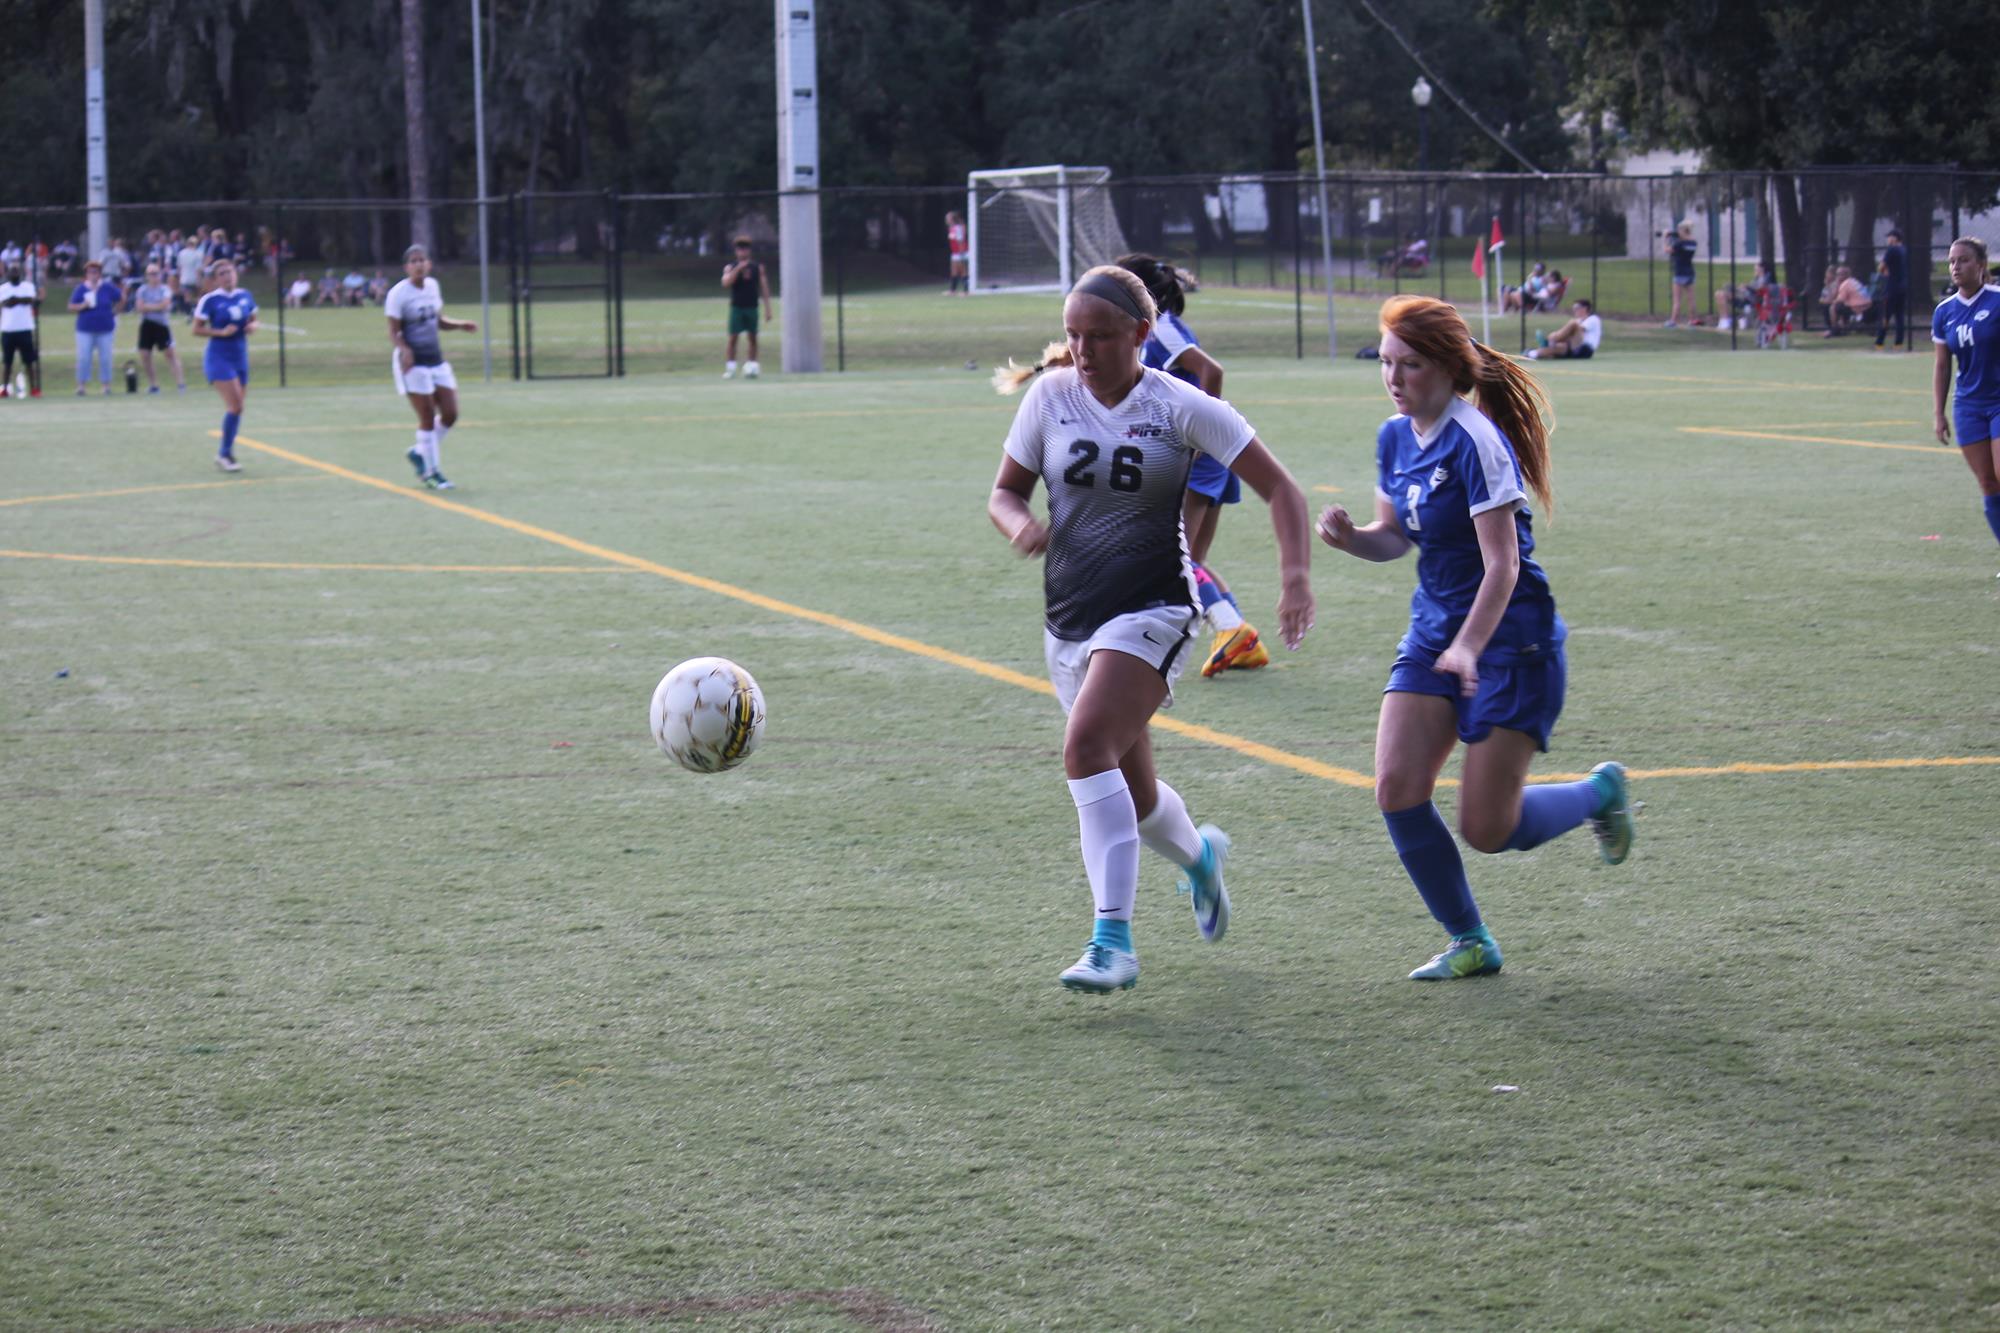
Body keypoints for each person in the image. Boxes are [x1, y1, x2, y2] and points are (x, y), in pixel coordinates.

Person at [988, 265, 1315, 993]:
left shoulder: (1179, 405)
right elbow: (1006, 491)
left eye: (1099, 336)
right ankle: (1200, 856)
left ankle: (1113, 941)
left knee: (1084, 747)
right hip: (1069, 614)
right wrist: (1020, 525)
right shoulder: (1050, 397)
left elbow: (1281, 488)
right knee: (1131, 798)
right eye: (1072, 335)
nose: (1082, 349)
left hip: (1155, 608)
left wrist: (1294, 578)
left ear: (1142, 334)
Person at [1318, 295, 1633, 981]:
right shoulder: (1394, 436)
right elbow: (1397, 538)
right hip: (1435, 628)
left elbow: (1504, 564)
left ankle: (1599, 794)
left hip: (1510, 640)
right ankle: (1470, 938)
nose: (1394, 379)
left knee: (1488, 828)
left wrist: (1468, 647)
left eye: (1410, 365)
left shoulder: (1477, 442)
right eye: (1386, 363)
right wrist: (1351, 540)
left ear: (1448, 369)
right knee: (1397, 785)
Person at [1117, 251, 1271, 678]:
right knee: (1193, 558)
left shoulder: (1162, 329)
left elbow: (1210, 370)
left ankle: (1230, 628)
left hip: (1197, 456)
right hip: (1208, 455)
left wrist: (1207, 431)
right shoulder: (1152, 331)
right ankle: (1241, 639)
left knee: (1174, 558)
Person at [1931, 236, 2000, 575]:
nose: (1956, 267)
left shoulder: (1998, 301)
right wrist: (1938, 413)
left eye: (1964, 260)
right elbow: (1943, 365)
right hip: (1968, 406)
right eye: (1952, 261)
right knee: (1988, 482)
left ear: (1981, 265)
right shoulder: (1944, 312)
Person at [386, 243, 477, 491]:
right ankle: (431, 472)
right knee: (426, 416)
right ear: (406, 267)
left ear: (429, 264)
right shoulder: (398, 294)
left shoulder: (433, 287)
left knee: (450, 413)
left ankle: (418, 452)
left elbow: (437, 320)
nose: (418, 264)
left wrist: (459, 325)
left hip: (436, 360)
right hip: (413, 364)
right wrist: (405, 351)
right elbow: (393, 332)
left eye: (421, 260)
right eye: (413, 261)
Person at [192, 258, 258, 473]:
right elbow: (197, 329)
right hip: (218, 357)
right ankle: (225, 454)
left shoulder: (245, 295)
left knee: (237, 408)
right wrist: (220, 332)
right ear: (216, 279)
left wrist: (252, 326)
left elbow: (253, 318)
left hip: (240, 356)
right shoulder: (210, 300)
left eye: (230, 272)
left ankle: (225, 452)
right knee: (236, 405)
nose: (228, 276)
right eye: (222, 273)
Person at [720, 235, 773, 379]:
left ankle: (752, 365)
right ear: (736, 251)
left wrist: (768, 309)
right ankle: (730, 368)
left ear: (749, 251)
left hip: (752, 307)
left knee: (753, 337)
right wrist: (738, 269)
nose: (742, 252)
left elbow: (764, 288)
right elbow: (726, 283)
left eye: (745, 249)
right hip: (737, 307)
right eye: (739, 249)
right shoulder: (730, 267)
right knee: (733, 338)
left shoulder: (757, 268)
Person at [67, 259, 121, 396]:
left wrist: (116, 311)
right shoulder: (81, 289)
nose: (93, 275)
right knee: (84, 357)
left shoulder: (107, 287)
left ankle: (106, 385)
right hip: (85, 329)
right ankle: (81, 386)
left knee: (106, 358)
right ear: (86, 274)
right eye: (90, 272)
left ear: (100, 274)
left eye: (96, 272)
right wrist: (82, 306)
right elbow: (71, 306)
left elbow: (121, 297)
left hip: (105, 329)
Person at [131, 262, 186, 394]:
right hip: (146, 325)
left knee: (170, 354)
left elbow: (165, 305)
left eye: (156, 273)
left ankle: (180, 384)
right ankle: (153, 385)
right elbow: (139, 307)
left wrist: (149, 307)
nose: (154, 276)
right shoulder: (142, 290)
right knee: (145, 354)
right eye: (151, 274)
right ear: (147, 276)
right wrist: (156, 306)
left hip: (162, 325)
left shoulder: (165, 289)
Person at [0, 261, 42, 398]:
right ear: (7, 273)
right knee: (7, 362)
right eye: (12, 271)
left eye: (16, 271)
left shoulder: (27, 286)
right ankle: (5, 388)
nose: (14, 273)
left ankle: (34, 388)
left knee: (29, 361)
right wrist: (16, 301)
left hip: (25, 329)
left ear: (20, 273)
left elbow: (30, 300)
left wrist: (15, 300)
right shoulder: (3, 288)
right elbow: (4, 303)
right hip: (8, 330)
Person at [1525, 298, 1602, 360]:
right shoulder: (1579, 321)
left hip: (1585, 349)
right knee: (1559, 347)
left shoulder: (1593, 319)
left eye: (1576, 308)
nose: (1574, 310)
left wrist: (1557, 337)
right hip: (1575, 349)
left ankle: (1551, 340)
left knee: (1573, 323)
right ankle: (1532, 353)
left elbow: (1580, 330)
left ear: (1585, 308)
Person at [1874, 229, 1909, 350]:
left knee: (1886, 315)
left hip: (1891, 288)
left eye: (1889, 237)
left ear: (1894, 238)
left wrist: (1884, 270)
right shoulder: (1904, 250)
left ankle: (1879, 342)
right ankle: (1898, 344)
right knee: (1899, 316)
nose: (1887, 240)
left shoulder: (1892, 249)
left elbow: (1881, 267)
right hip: (1903, 287)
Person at [1714, 261, 1774, 330]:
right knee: (1718, 293)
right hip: (1744, 296)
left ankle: (1726, 321)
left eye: (1756, 269)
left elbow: (1759, 291)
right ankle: (1723, 319)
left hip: (1749, 300)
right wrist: (1740, 288)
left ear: (1762, 269)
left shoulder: (1764, 280)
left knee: (1722, 295)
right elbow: (1750, 288)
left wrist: (1747, 287)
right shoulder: (1756, 279)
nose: (1755, 270)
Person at [1663, 220, 1698, 326]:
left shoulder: (1679, 243)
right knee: (1691, 298)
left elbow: (1667, 250)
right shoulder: (1693, 243)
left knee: (1677, 299)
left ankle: (1673, 320)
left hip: (1679, 273)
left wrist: (1665, 238)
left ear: (1683, 230)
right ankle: (1692, 319)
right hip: (1690, 272)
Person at [1823, 264, 1872, 336]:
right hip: (1867, 305)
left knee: (1833, 307)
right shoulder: (1853, 281)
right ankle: (1843, 329)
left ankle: (1834, 330)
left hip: (1859, 308)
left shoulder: (1845, 284)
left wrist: (1828, 300)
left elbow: (1837, 300)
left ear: (1846, 275)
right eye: (1837, 274)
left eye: (1839, 274)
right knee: (1841, 307)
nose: (1837, 277)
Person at [174, 234, 205, 312]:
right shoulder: (198, 253)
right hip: (194, 278)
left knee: (187, 297)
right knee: (197, 297)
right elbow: (198, 269)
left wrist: (179, 279)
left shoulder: (181, 253)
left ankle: (189, 312)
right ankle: (195, 311)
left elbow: (179, 267)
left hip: (184, 279)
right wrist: (199, 280)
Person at [945, 211, 969, 296]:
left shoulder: (958, 228)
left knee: (963, 271)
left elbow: (960, 241)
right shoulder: (951, 228)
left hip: (960, 252)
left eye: (947, 218)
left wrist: (961, 253)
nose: (946, 220)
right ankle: (952, 290)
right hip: (955, 253)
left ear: (952, 219)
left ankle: (966, 291)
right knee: (954, 271)